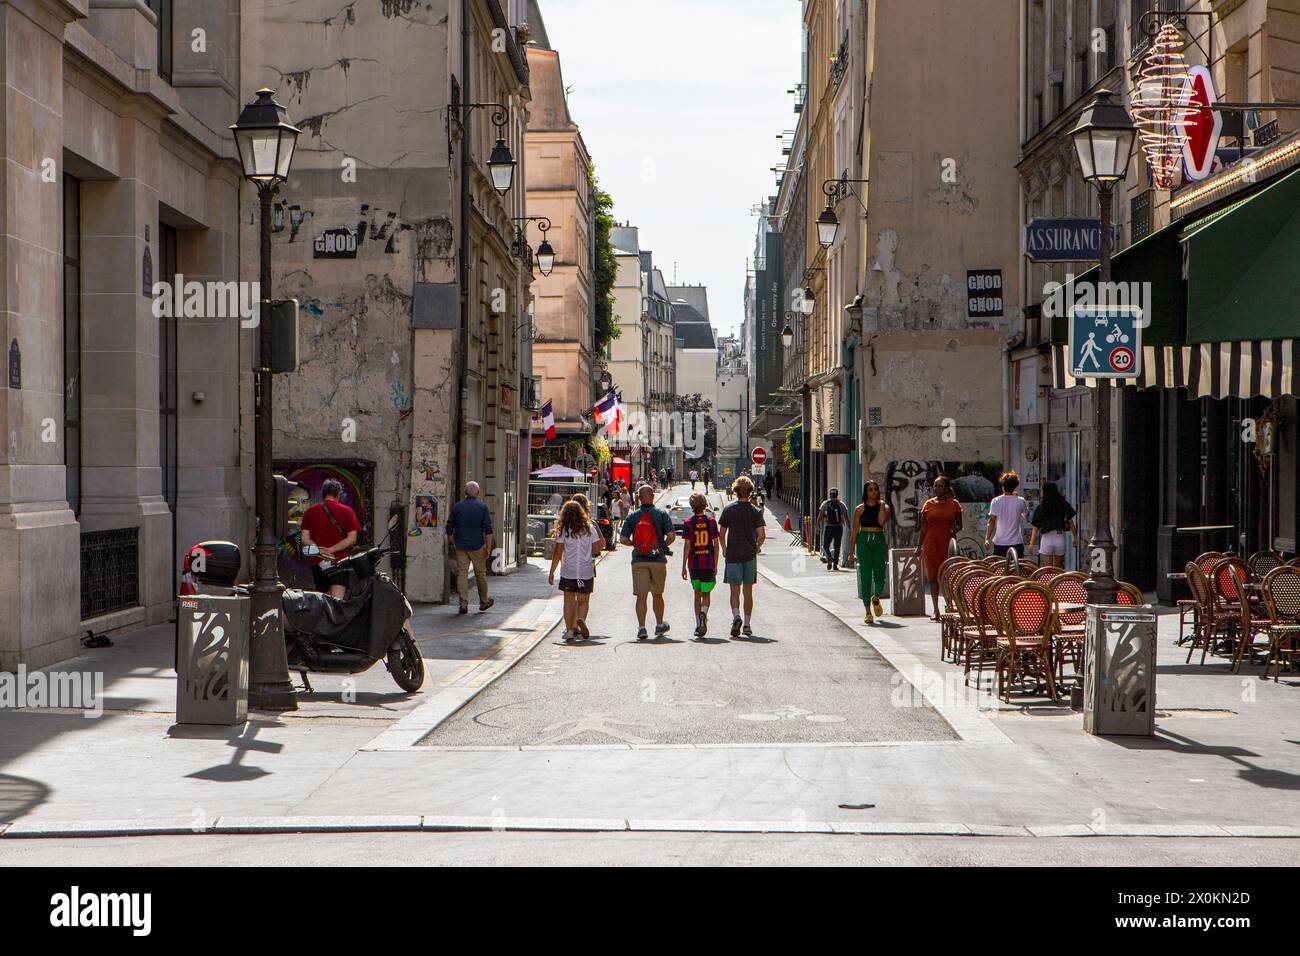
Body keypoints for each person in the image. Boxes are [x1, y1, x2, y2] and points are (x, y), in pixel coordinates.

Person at [619, 484, 676, 640]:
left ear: (639, 498)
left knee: (641, 596)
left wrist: (636, 545)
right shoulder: (662, 514)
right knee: (657, 594)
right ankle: (659, 625)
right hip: (658, 560)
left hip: (639, 561)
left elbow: (623, 539)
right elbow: (671, 535)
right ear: (653, 496)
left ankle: (642, 627)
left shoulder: (632, 516)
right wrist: (661, 546)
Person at [549, 500, 603, 642]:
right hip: (586, 570)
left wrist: (551, 572)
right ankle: (580, 619)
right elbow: (597, 548)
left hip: (568, 571)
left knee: (569, 601)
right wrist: (587, 552)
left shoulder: (563, 530)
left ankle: (569, 631)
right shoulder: (590, 528)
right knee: (583, 600)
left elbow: (557, 552)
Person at [719, 475, 766, 637]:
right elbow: (761, 535)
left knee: (734, 591)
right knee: (748, 591)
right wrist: (757, 548)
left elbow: (722, 533)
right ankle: (746, 624)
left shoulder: (728, 510)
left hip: (733, 554)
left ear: (735, 491)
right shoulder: (755, 511)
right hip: (749, 555)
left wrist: (724, 548)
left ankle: (736, 616)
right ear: (750, 491)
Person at [299, 478, 361, 595]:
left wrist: (320, 551)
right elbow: (352, 539)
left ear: (324, 494)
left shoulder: (309, 512)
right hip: (339, 561)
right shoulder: (348, 512)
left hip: (317, 561)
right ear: (338, 494)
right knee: (337, 601)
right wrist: (331, 550)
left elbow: (304, 539)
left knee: (324, 600)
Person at [446, 480, 495, 614]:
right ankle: (484, 601)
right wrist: (488, 547)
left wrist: (451, 544)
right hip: (477, 545)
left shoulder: (457, 507)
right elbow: (488, 530)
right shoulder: (483, 507)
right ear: (478, 493)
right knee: (480, 573)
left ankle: (463, 604)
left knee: (462, 573)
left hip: (460, 545)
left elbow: (449, 528)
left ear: (465, 493)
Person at [918, 476, 963, 621]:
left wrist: (953, 529)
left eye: (939, 486)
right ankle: (936, 609)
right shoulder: (928, 504)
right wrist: (919, 547)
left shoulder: (954, 504)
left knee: (948, 577)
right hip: (931, 544)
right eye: (935, 486)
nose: (936, 488)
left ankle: (950, 606)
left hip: (947, 544)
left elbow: (960, 525)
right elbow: (923, 528)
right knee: (933, 578)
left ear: (946, 488)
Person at [847, 480, 892, 624]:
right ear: (866, 492)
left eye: (875, 490)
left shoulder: (885, 507)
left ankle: (876, 597)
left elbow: (880, 522)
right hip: (863, 540)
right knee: (865, 576)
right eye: (870, 490)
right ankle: (867, 612)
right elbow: (855, 530)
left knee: (879, 574)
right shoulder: (859, 509)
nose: (874, 492)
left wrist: (882, 505)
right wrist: (851, 551)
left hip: (878, 540)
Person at [681, 492, 720, 637]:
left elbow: (687, 546)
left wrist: (683, 565)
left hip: (694, 564)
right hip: (708, 562)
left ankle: (698, 624)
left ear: (692, 506)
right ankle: (704, 612)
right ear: (704, 505)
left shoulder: (688, 523)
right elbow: (716, 545)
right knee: (707, 593)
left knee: (696, 593)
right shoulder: (711, 522)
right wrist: (715, 564)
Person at [1028, 481, 1077, 569]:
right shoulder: (1062, 503)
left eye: (1042, 490)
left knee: (1048, 570)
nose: (1041, 491)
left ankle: (1049, 583)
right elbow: (1071, 521)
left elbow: (1035, 527)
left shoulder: (1041, 507)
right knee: (1058, 570)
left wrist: (1031, 543)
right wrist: (1075, 537)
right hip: (1059, 537)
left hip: (1046, 539)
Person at [985, 471, 1030, 558]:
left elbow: (991, 521)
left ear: (1002, 487)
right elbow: (1026, 515)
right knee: (1016, 569)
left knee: (999, 569)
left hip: (1000, 543)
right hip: (1016, 543)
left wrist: (987, 539)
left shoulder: (995, 501)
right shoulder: (1020, 501)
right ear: (1014, 487)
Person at [817, 488, 850, 571]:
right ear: (837, 494)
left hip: (828, 527)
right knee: (837, 546)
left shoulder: (825, 503)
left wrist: (817, 525)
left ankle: (829, 558)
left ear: (830, 495)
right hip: (839, 527)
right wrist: (849, 528)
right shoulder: (841, 504)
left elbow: (820, 515)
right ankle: (835, 565)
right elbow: (846, 517)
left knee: (825, 545)